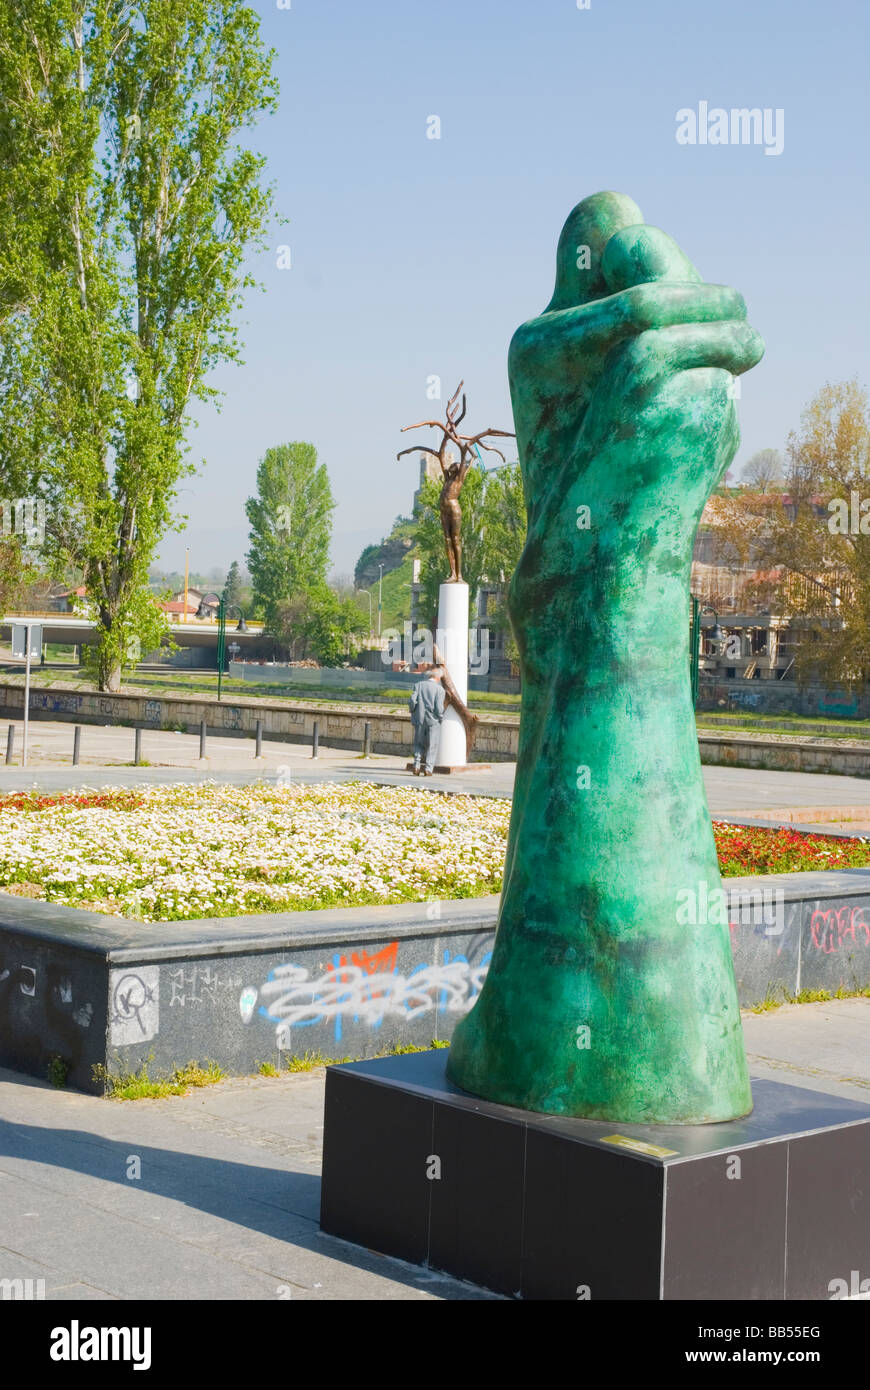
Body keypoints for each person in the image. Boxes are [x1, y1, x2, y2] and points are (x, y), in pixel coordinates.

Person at [409, 666, 446, 776]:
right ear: (438, 678)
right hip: (433, 721)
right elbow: (439, 708)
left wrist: (413, 711)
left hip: (419, 719)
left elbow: (412, 700)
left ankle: (416, 766)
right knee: (432, 745)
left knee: (418, 743)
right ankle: (428, 769)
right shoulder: (440, 690)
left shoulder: (418, 685)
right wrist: (440, 718)